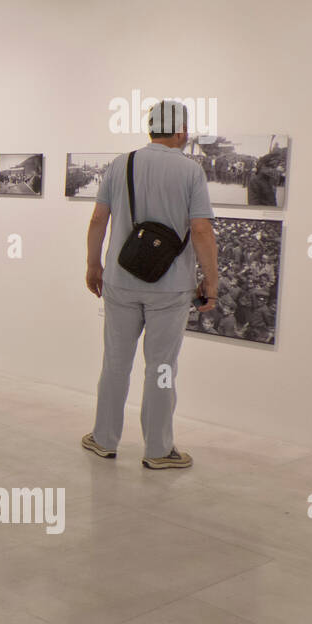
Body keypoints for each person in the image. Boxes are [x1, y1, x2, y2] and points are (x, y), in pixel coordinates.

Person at [83, 100, 218, 470]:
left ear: (151, 128)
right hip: (170, 286)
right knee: (161, 367)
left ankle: (104, 439)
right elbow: (201, 229)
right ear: (181, 131)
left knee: (115, 362)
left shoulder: (120, 164)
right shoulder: (190, 171)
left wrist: (93, 264)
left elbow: (98, 219)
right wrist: (211, 280)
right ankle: (158, 450)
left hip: (121, 279)